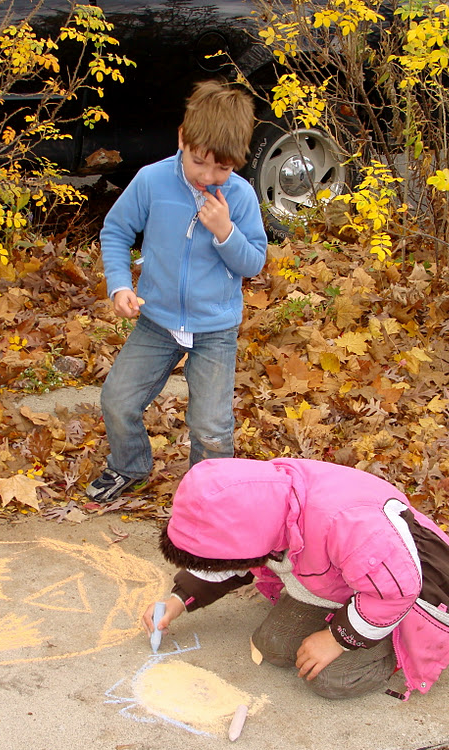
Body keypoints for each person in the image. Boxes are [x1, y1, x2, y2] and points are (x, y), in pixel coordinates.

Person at [142, 457, 449, 700]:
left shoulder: (348, 524)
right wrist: (178, 598)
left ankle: (393, 652)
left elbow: (396, 592)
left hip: (416, 598)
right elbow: (223, 551)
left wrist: (337, 639)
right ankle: (349, 625)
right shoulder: (258, 501)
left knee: (333, 680)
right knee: (275, 647)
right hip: (346, 585)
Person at [85, 81, 268, 503]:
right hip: (156, 318)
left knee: (211, 427)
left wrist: (225, 232)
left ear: (236, 163)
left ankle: (208, 499)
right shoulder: (152, 181)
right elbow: (115, 231)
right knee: (117, 400)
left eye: (221, 169)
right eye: (199, 162)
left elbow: (253, 262)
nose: (208, 177)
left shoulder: (238, 197)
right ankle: (129, 466)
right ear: (182, 139)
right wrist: (119, 285)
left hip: (214, 329)